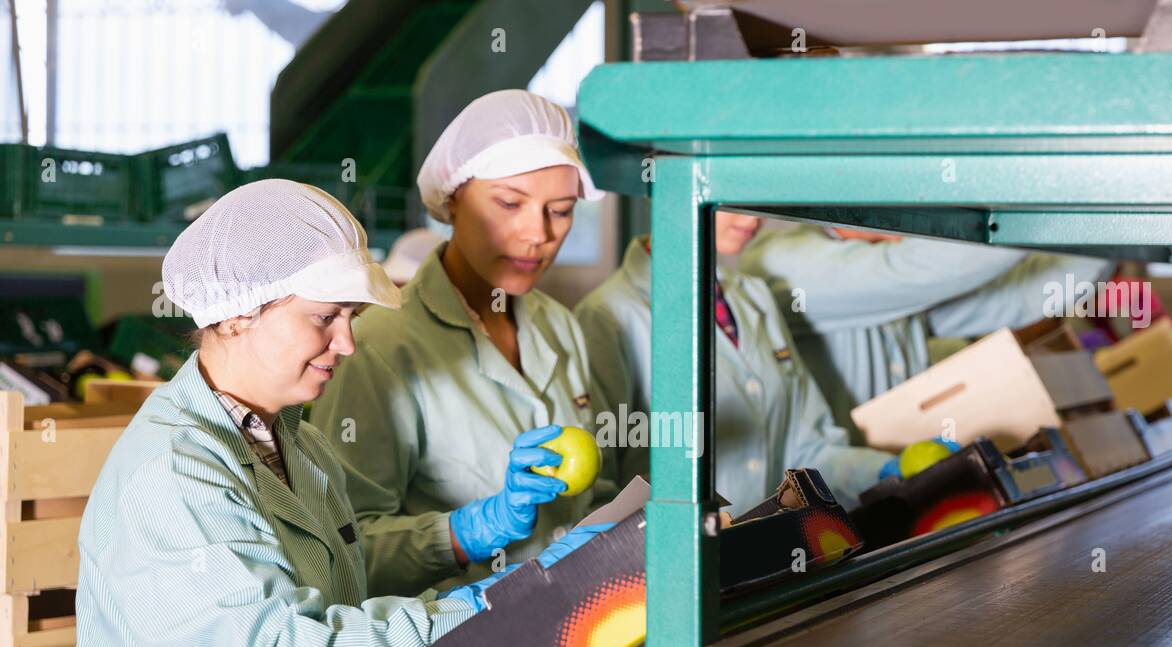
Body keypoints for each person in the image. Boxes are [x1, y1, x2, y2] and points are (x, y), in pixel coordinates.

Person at [57, 180, 583, 647]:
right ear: (238, 314)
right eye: (325, 318)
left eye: (352, 319)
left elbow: (332, 577)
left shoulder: (292, 441)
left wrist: (466, 533)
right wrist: (487, 616)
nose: (349, 344)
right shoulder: (171, 474)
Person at [311, 90, 617, 597]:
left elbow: (589, 499)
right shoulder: (379, 346)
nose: (537, 233)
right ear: (452, 200)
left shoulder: (561, 327)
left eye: (559, 211)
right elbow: (343, 555)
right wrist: (472, 531)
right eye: (509, 203)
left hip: (579, 625)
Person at [575, 213, 892, 516]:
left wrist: (886, 471)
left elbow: (810, 450)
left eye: (755, 201)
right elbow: (602, 493)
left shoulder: (754, 295)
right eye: (729, 200)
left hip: (766, 554)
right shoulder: (607, 315)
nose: (751, 219)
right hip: (668, 565)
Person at [739, 224, 1113, 435]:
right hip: (835, 501)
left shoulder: (889, 271)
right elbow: (923, 271)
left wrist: (1109, 224)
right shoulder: (784, 261)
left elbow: (1019, 298)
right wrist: (1034, 202)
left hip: (901, 484)